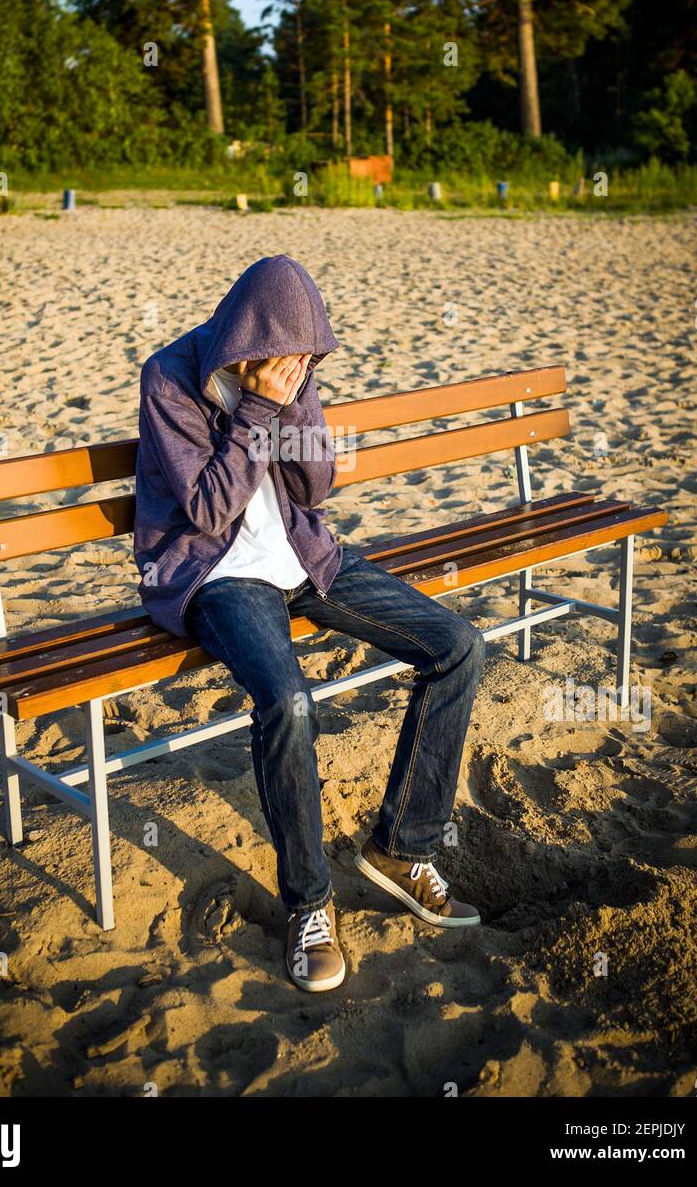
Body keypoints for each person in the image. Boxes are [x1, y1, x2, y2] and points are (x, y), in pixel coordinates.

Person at [134, 254, 485, 993]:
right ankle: (309, 906)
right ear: (246, 337)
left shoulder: (293, 373)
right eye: (288, 354)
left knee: (457, 646)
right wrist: (257, 409)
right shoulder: (169, 379)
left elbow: (317, 483)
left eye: (309, 356)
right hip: (217, 575)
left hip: (305, 558)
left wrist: (293, 403)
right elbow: (208, 511)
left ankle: (401, 845)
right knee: (288, 702)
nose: (299, 366)